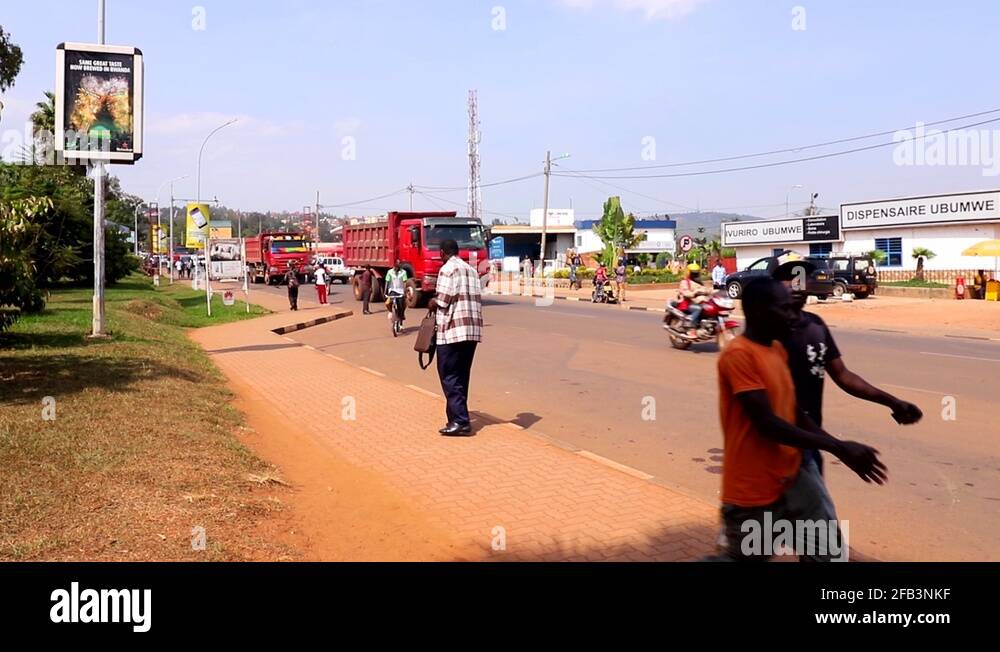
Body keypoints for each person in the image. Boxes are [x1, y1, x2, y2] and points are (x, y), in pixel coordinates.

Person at [714, 276, 887, 562]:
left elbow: (793, 413)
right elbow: (767, 423)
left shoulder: (776, 350)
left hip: (793, 480)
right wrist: (838, 448)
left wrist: (837, 445)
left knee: (828, 555)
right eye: (784, 309)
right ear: (758, 311)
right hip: (751, 492)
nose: (792, 316)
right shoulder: (738, 356)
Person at [774, 260, 922, 477]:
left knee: (814, 511)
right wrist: (838, 447)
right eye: (789, 278)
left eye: (802, 278)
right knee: (796, 510)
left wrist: (892, 402)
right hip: (775, 447)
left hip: (810, 445)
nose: (797, 284)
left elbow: (843, 375)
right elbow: (780, 407)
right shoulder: (767, 332)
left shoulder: (815, 325)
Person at [428, 239, 483, 436]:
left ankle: (461, 421)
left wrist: (432, 302)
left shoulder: (447, 269)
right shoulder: (472, 270)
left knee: (449, 375)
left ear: (443, 252)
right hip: (472, 330)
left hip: (452, 331)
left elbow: (443, 300)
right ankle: (456, 417)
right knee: (461, 375)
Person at [677, 264, 712, 336]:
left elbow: (706, 290)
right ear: (689, 273)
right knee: (698, 309)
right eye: (693, 273)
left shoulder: (699, 282)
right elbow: (685, 293)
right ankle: (691, 328)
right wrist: (694, 293)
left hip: (699, 302)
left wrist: (709, 291)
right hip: (688, 303)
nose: (695, 275)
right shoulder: (684, 282)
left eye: (696, 273)